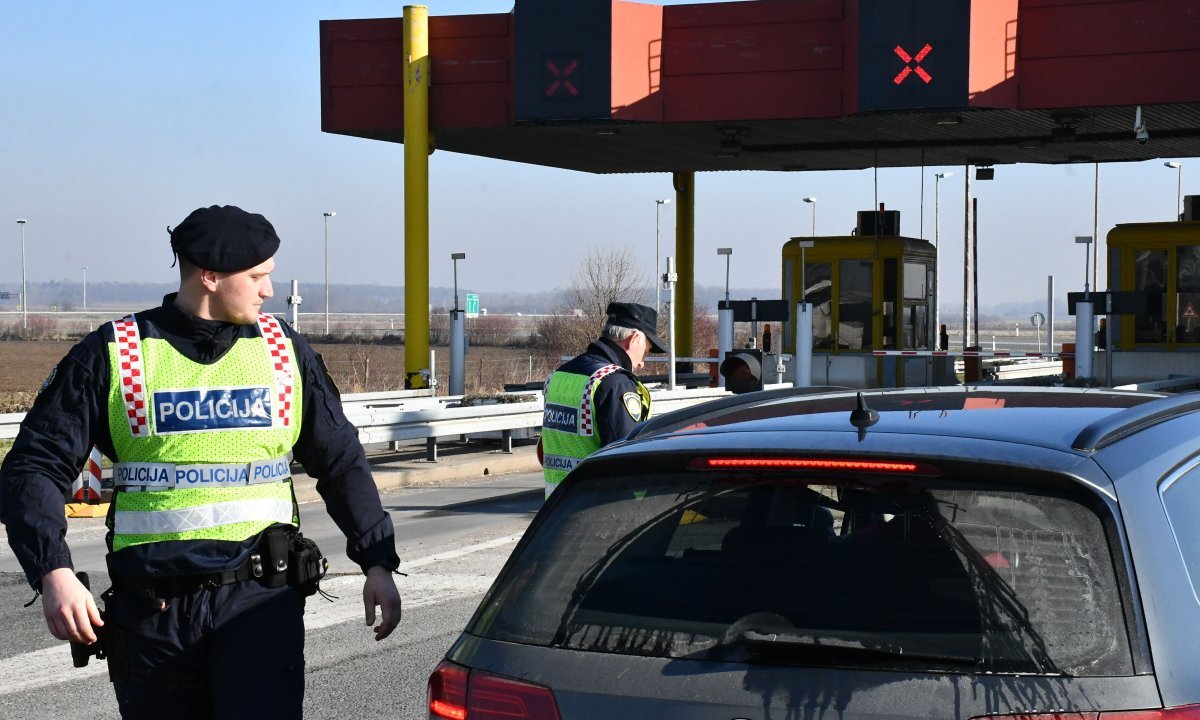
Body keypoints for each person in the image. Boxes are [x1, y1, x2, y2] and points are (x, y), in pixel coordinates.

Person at [0, 205, 402, 719]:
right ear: (210, 276)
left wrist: (377, 561)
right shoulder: (115, 354)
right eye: (257, 277)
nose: (268, 291)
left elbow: (340, 460)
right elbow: (32, 468)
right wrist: (52, 571)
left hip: (261, 606)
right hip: (153, 619)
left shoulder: (283, 353)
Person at [540, 301, 665, 498]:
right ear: (634, 339)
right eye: (646, 352)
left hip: (557, 511)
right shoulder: (615, 384)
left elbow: (545, 448)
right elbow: (626, 460)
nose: (642, 362)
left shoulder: (560, 375)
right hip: (597, 510)